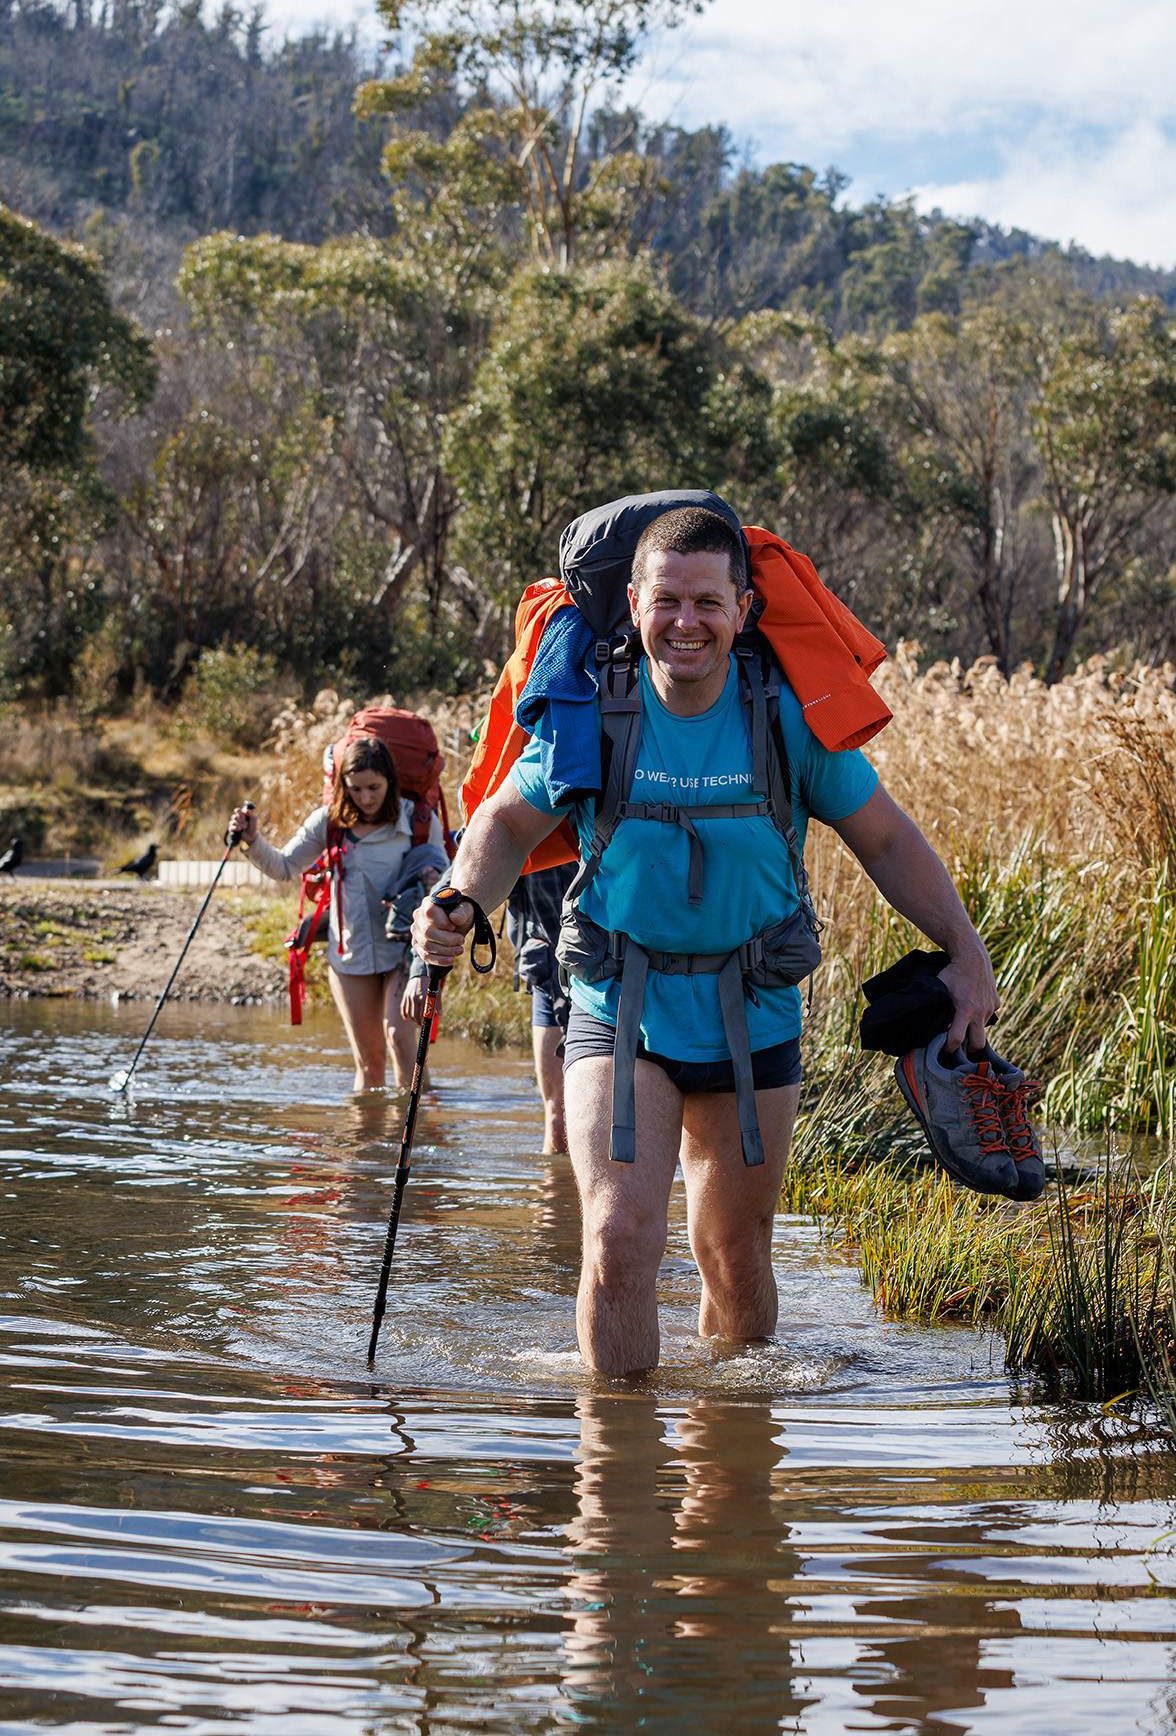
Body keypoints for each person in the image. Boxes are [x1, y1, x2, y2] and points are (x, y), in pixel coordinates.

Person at [413, 506, 1002, 1376]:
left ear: (744, 609)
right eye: (666, 601)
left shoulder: (785, 721)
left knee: (733, 1255)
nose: (686, 621)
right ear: (634, 604)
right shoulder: (593, 716)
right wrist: (460, 897)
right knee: (616, 1243)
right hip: (619, 1009)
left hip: (753, 1013)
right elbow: (503, 823)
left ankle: (729, 1474)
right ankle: (614, 1480)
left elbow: (886, 839)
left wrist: (968, 953)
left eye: (707, 602)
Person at [231, 735, 447, 1094]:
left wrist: (433, 880)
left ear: (390, 782)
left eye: (374, 787)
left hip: (406, 954)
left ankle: (421, 1142)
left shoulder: (420, 820)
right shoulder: (328, 823)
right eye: (356, 788)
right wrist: (252, 841)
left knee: (403, 1045)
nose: (366, 798)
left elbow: (445, 883)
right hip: (350, 954)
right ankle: (365, 1146)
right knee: (368, 1061)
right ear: (343, 786)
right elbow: (285, 867)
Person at [504, 861, 579, 1155]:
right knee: (557, 1120)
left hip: (618, 979)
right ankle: (553, 1199)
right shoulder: (531, 815)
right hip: (549, 976)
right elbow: (472, 858)